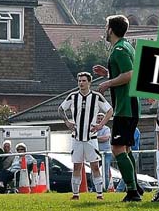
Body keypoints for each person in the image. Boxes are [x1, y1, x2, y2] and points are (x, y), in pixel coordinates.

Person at [93, 15, 142, 202]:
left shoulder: (119, 50)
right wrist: (108, 73)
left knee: (117, 148)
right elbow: (125, 72)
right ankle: (135, 186)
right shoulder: (127, 46)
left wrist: (107, 83)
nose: (105, 30)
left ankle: (132, 192)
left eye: (106, 27)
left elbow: (129, 74)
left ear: (111, 30)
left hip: (125, 106)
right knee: (126, 149)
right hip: (131, 103)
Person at [59, 72, 112, 200]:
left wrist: (100, 125)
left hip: (91, 137)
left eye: (83, 81)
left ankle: (99, 193)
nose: (81, 83)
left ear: (89, 82)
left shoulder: (96, 97)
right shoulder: (72, 96)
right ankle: (75, 194)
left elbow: (110, 110)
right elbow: (61, 108)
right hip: (76, 137)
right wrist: (67, 122)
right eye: (79, 81)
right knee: (77, 165)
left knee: (94, 165)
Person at [95, 114, 113, 191]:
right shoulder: (93, 128)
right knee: (94, 170)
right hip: (96, 152)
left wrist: (94, 138)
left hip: (106, 153)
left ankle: (105, 188)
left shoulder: (106, 129)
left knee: (105, 171)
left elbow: (106, 138)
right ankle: (95, 188)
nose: (99, 120)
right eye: (98, 118)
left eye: (101, 118)